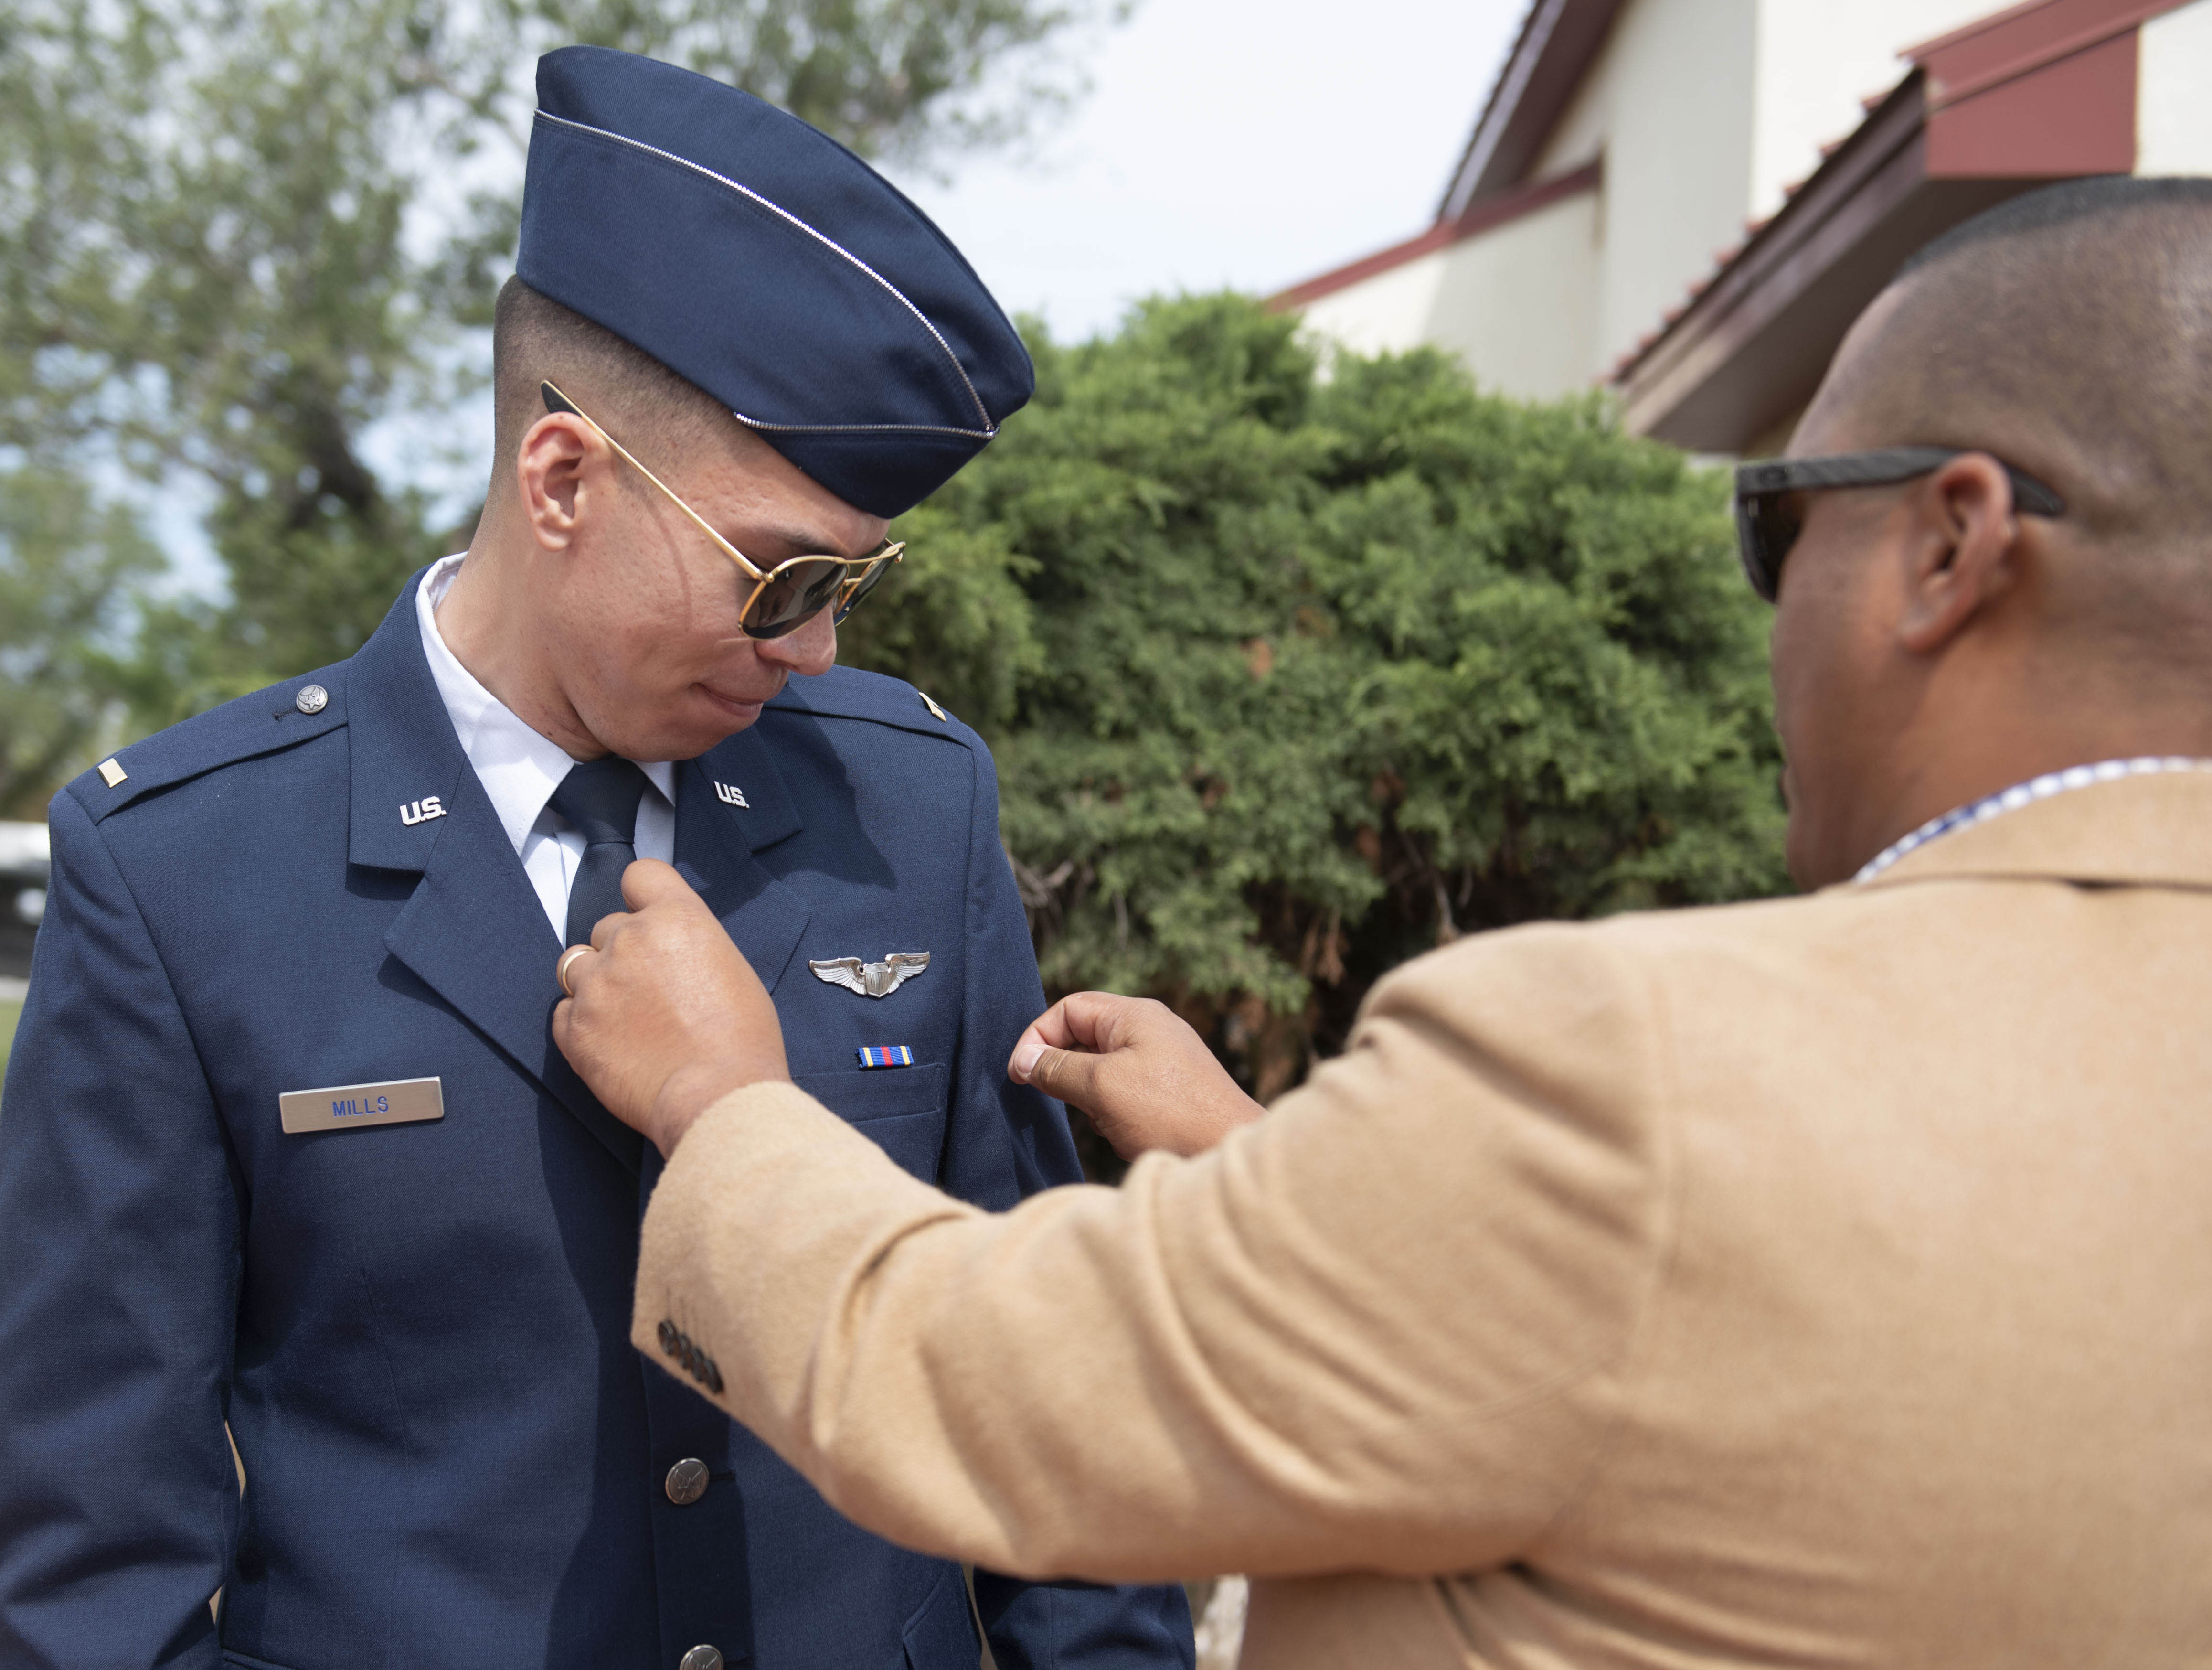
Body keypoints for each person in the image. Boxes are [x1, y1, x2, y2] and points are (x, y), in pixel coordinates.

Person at [547, 175, 2212, 1669]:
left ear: (1950, 548)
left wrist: (722, 1103)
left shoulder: (1634, 1070)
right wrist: (1271, 1169)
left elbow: (988, 1394)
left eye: (1778, 526)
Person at [0, 45, 1192, 1670]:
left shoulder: (910, 807)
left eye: (854, 586)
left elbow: (1050, 1425)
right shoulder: (183, 867)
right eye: (780, 582)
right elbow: (92, 1563)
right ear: (563, 480)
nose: (819, 652)